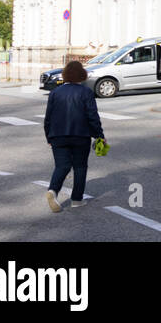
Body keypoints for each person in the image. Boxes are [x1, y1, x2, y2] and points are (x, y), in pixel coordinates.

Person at [42, 60, 106, 212]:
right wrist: (99, 135)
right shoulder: (86, 92)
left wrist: (49, 137)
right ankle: (77, 199)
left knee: (62, 165)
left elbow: (48, 118)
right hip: (81, 135)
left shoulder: (55, 93)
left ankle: (53, 190)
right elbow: (92, 116)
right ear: (82, 75)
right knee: (80, 166)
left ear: (65, 75)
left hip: (57, 135)